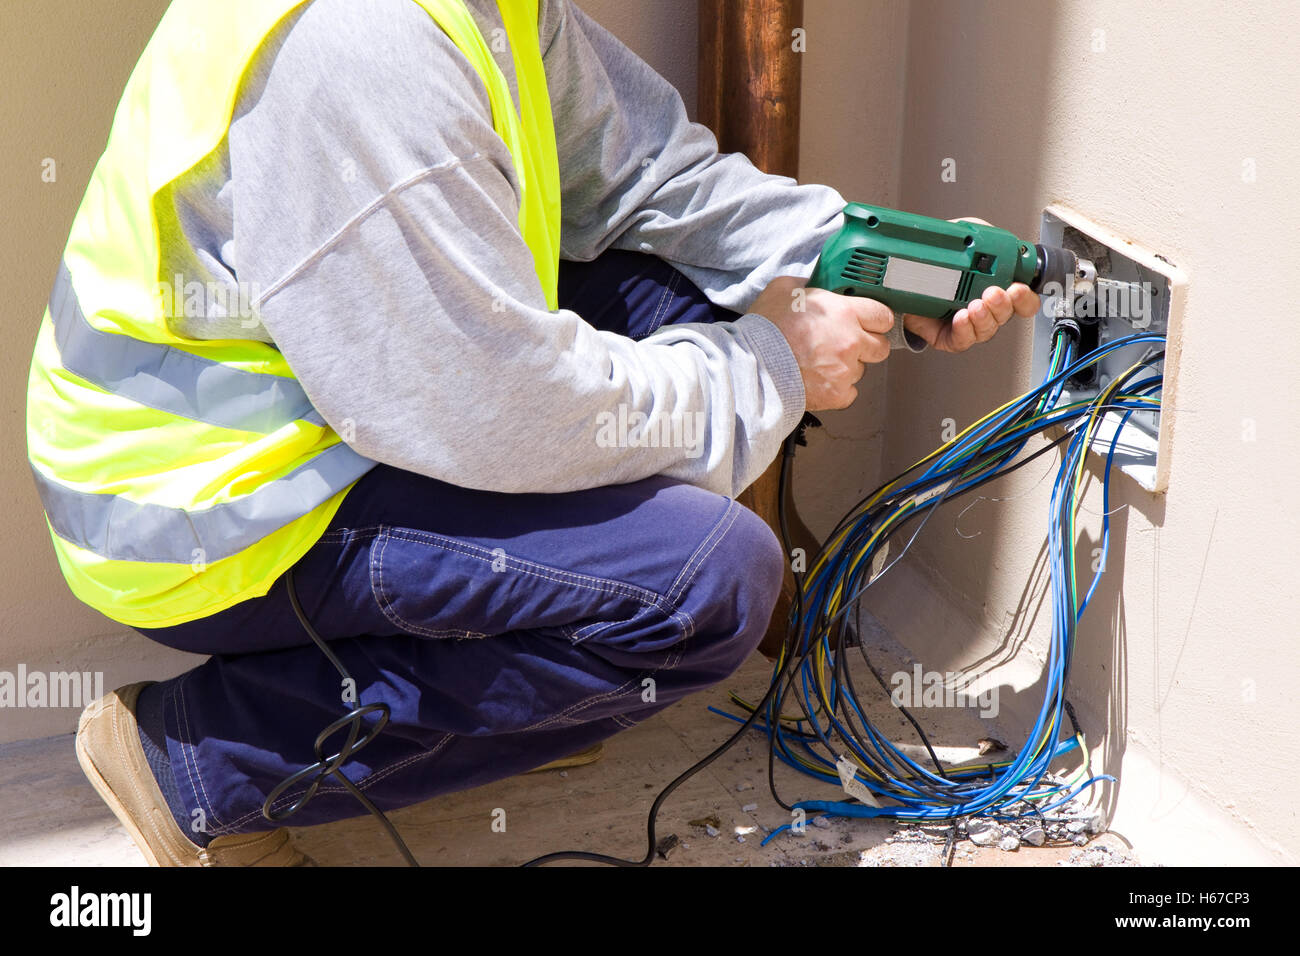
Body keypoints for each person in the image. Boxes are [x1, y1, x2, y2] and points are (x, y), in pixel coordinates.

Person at [34, 0, 1038, 866]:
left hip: (357, 393)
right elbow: (495, 407)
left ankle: (499, 669)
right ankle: (197, 761)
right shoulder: (360, 47)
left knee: (686, 293)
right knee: (707, 583)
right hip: (207, 506)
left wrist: (849, 262)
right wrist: (774, 366)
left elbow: (649, 178)